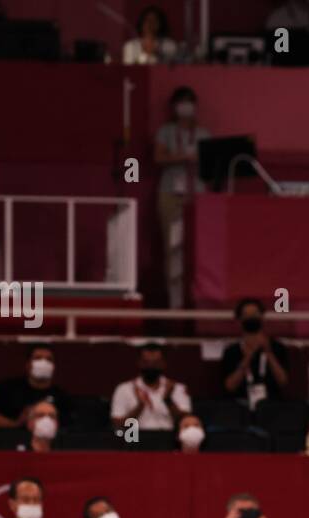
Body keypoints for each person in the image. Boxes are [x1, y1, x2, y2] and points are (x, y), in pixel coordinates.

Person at [154, 88, 211, 308]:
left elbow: (210, 164)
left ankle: (198, 299)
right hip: (171, 194)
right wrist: (184, 156)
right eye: (181, 102)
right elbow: (158, 157)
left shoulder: (204, 134)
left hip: (197, 194)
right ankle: (174, 302)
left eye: (189, 102)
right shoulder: (166, 131)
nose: (185, 107)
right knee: (172, 248)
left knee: (199, 248)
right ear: (174, 107)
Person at [0, 343, 72, 437]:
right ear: (28, 364)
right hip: (11, 441)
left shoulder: (62, 397)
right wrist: (17, 424)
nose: (43, 363)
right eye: (38, 358)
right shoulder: (6, 389)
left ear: (54, 366)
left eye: (49, 359)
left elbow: (70, 426)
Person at [220, 298, 290, 408]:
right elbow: (230, 386)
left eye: (255, 314)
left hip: (272, 405)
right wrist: (248, 356)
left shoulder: (277, 347)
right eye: (246, 314)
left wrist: (269, 353)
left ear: (262, 317)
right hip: (240, 405)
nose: (251, 317)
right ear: (239, 320)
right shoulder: (231, 351)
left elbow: (283, 381)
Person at [111, 342, 193, 432]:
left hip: (169, 439)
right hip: (134, 438)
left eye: (155, 363)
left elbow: (188, 423)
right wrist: (140, 406)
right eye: (146, 362)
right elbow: (117, 425)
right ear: (139, 363)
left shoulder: (177, 388)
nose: (151, 366)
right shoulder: (124, 389)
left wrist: (168, 400)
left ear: (163, 364)